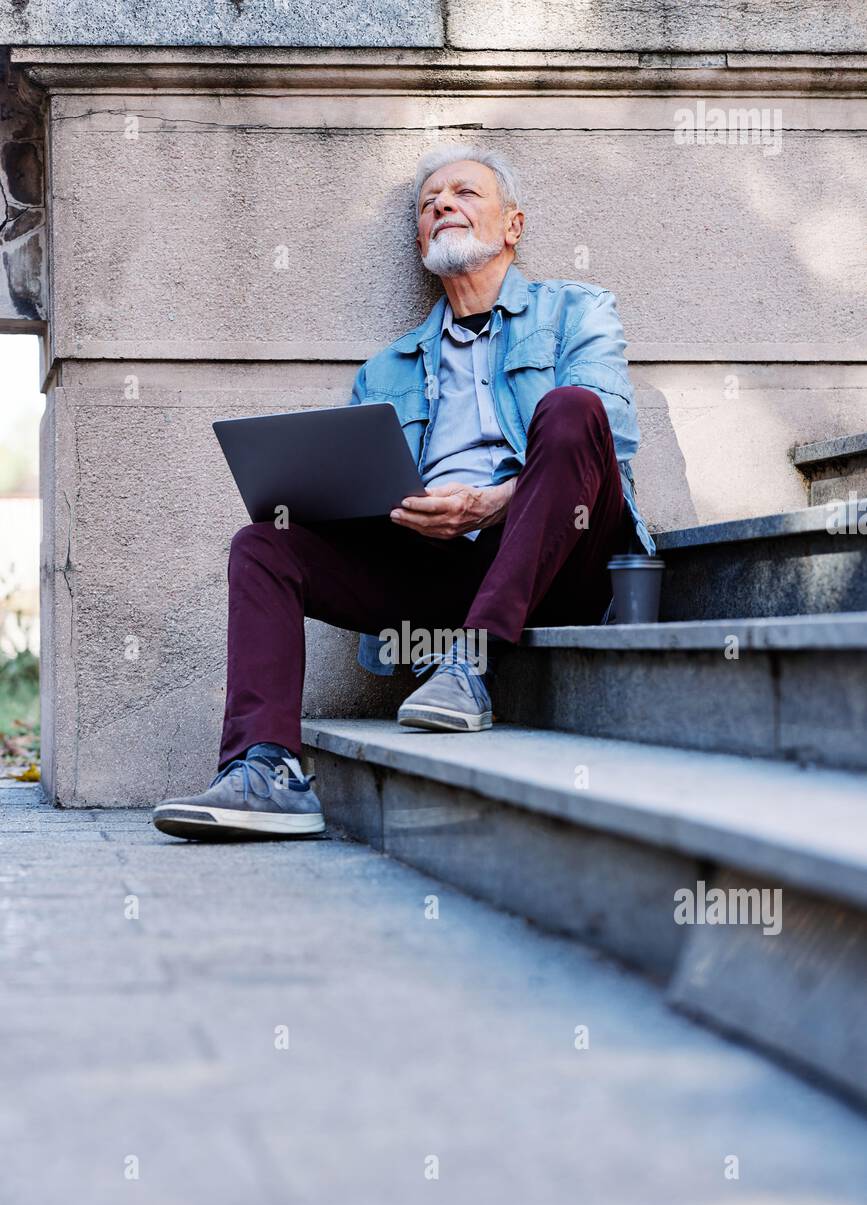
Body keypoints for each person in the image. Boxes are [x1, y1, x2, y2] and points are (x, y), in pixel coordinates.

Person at [153, 144, 653, 841]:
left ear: (512, 226)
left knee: (571, 409)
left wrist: (494, 501)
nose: (443, 204)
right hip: (440, 573)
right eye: (428, 203)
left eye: (464, 194)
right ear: (421, 238)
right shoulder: (384, 368)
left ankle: (473, 665)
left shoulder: (576, 311)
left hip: (561, 555)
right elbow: (360, 491)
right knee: (263, 544)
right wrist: (391, 513)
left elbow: (614, 445)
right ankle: (264, 768)